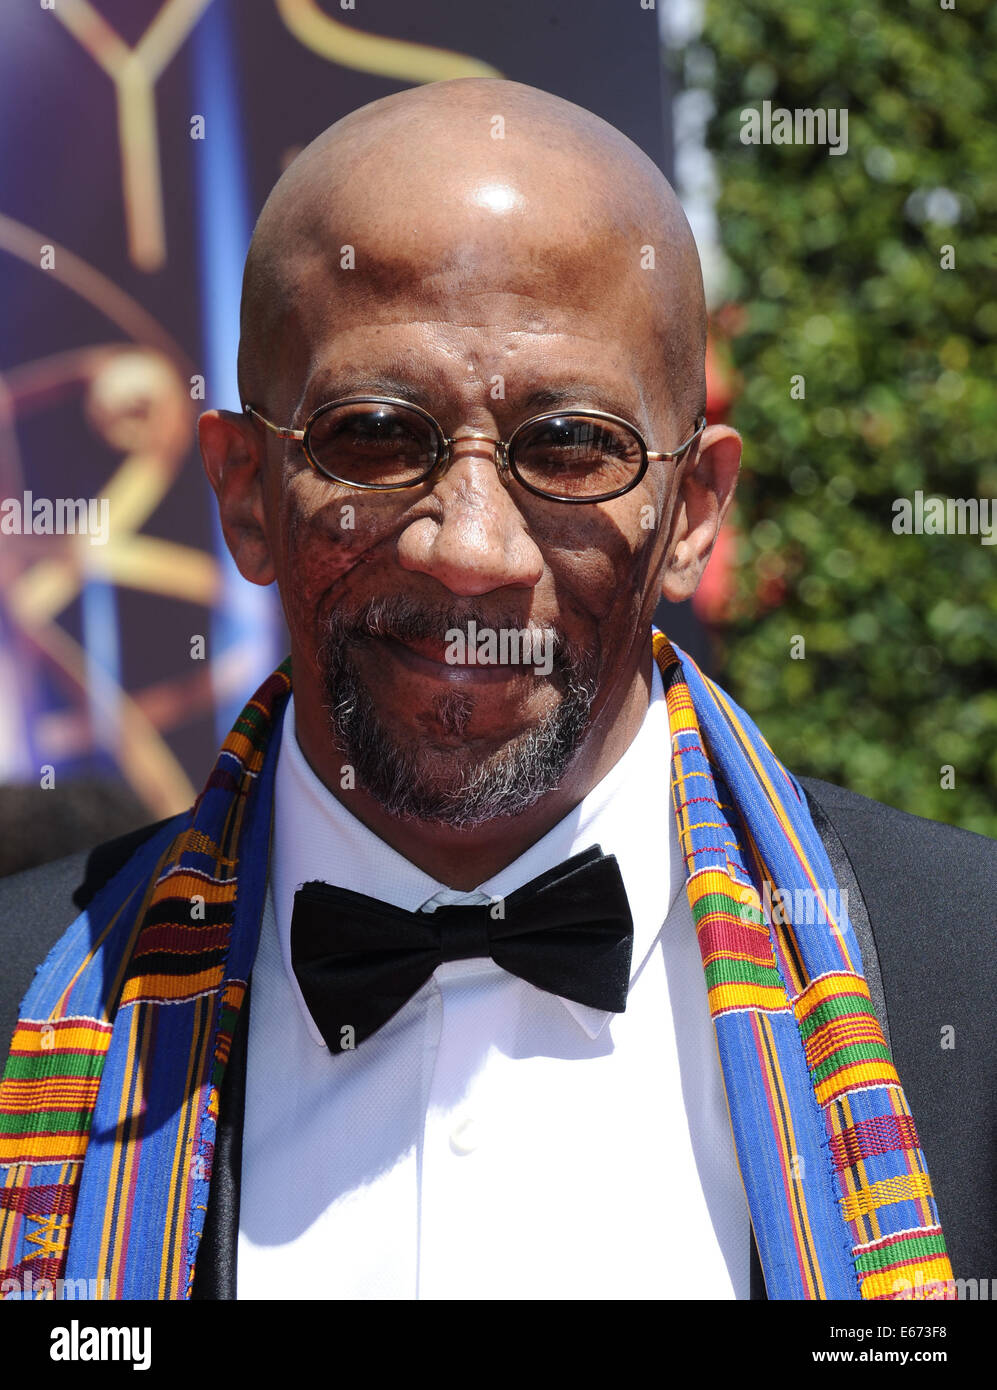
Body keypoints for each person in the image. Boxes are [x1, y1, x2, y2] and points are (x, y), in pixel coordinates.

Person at [1, 78, 994, 1303]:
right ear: (246, 490)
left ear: (691, 512)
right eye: (374, 432)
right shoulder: (23, 1009)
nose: (469, 548)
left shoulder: (969, 988)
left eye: (570, 446)